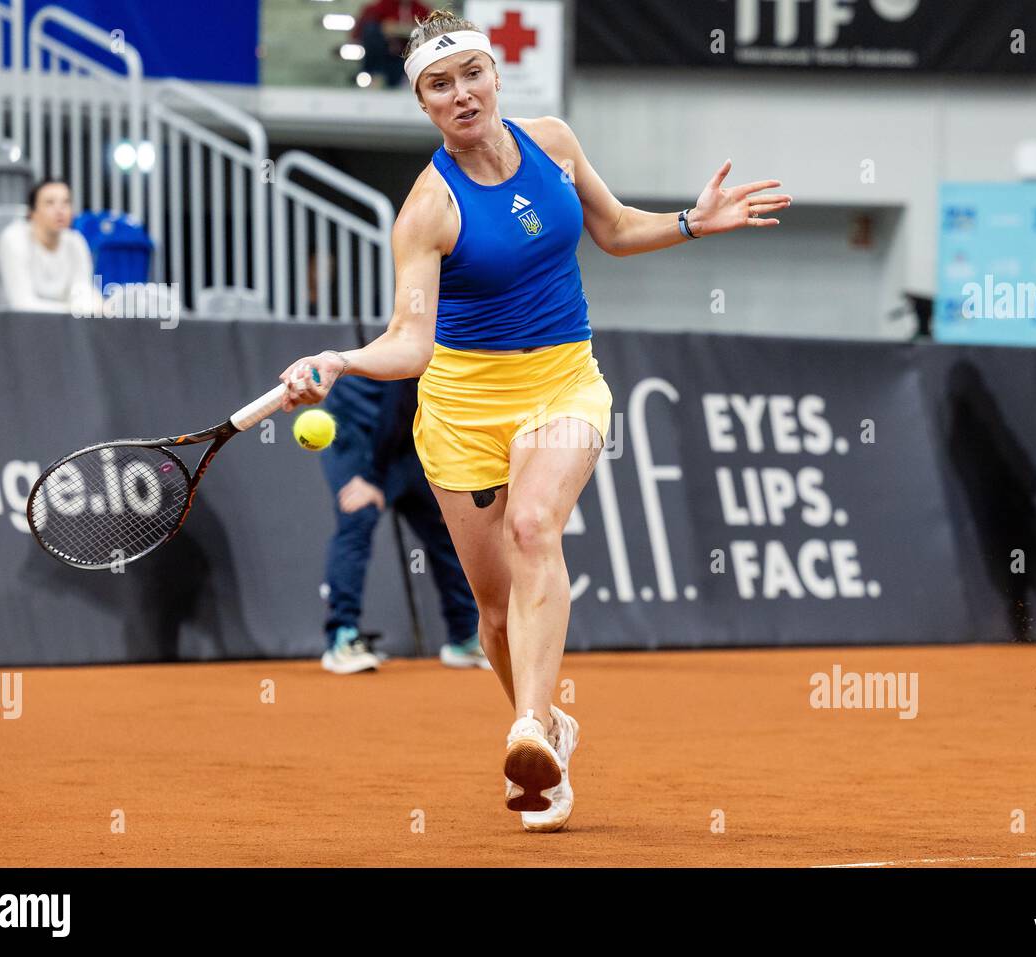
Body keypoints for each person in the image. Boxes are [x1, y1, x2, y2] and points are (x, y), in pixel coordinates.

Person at [277, 8, 790, 832]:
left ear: (493, 73)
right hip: (460, 410)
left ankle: (523, 728)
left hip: (563, 384)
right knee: (493, 610)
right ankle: (547, 731)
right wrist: (340, 361)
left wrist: (693, 222)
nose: (461, 93)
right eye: (439, 86)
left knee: (533, 525)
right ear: (425, 105)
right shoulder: (427, 212)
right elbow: (410, 343)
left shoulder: (553, 141)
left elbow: (616, 231)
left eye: (470, 73)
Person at [319, 373, 487, 674]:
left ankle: (464, 635)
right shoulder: (430, 334)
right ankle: (342, 638)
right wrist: (372, 478)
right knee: (357, 521)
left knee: (447, 528)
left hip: (405, 434)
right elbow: (396, 400)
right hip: (358, 429)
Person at [0, 178, 97, 314]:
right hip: (2, 327)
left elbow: (82, 297)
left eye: (66, 202)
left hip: (61, 327)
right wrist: (73, 310)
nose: (60, 210)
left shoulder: (76, 242)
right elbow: (23, 306)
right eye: (50, 203)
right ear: (32, 212)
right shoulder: (13, 239)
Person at [353, 0, 433, 88]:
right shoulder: (379, 7)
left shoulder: (422, 9)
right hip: (384, 52)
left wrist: (397, 29)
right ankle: (374, 74)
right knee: (371, 29)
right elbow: (360, 33)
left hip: (405, 54)